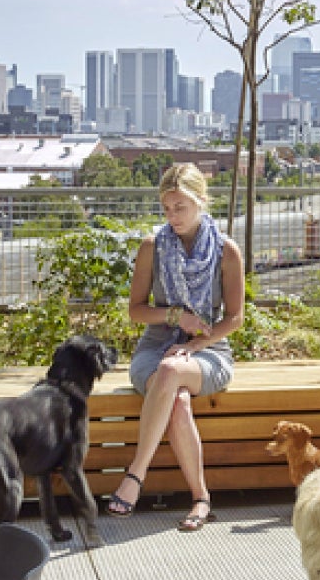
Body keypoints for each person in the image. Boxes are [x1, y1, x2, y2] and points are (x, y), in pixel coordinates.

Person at [104, 163, 248, 531]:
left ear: (201, 201)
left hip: (209, 352)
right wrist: (174, 317)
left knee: (172, 372)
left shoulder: (226, 251)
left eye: (180, 207)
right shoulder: (152, 247)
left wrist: (197, 342)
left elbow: (234, 319)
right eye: (166, 209)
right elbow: (136, 311)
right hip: (155, 348)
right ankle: (200, 499)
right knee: (176, 397)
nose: (172, 216)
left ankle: (134, 475)